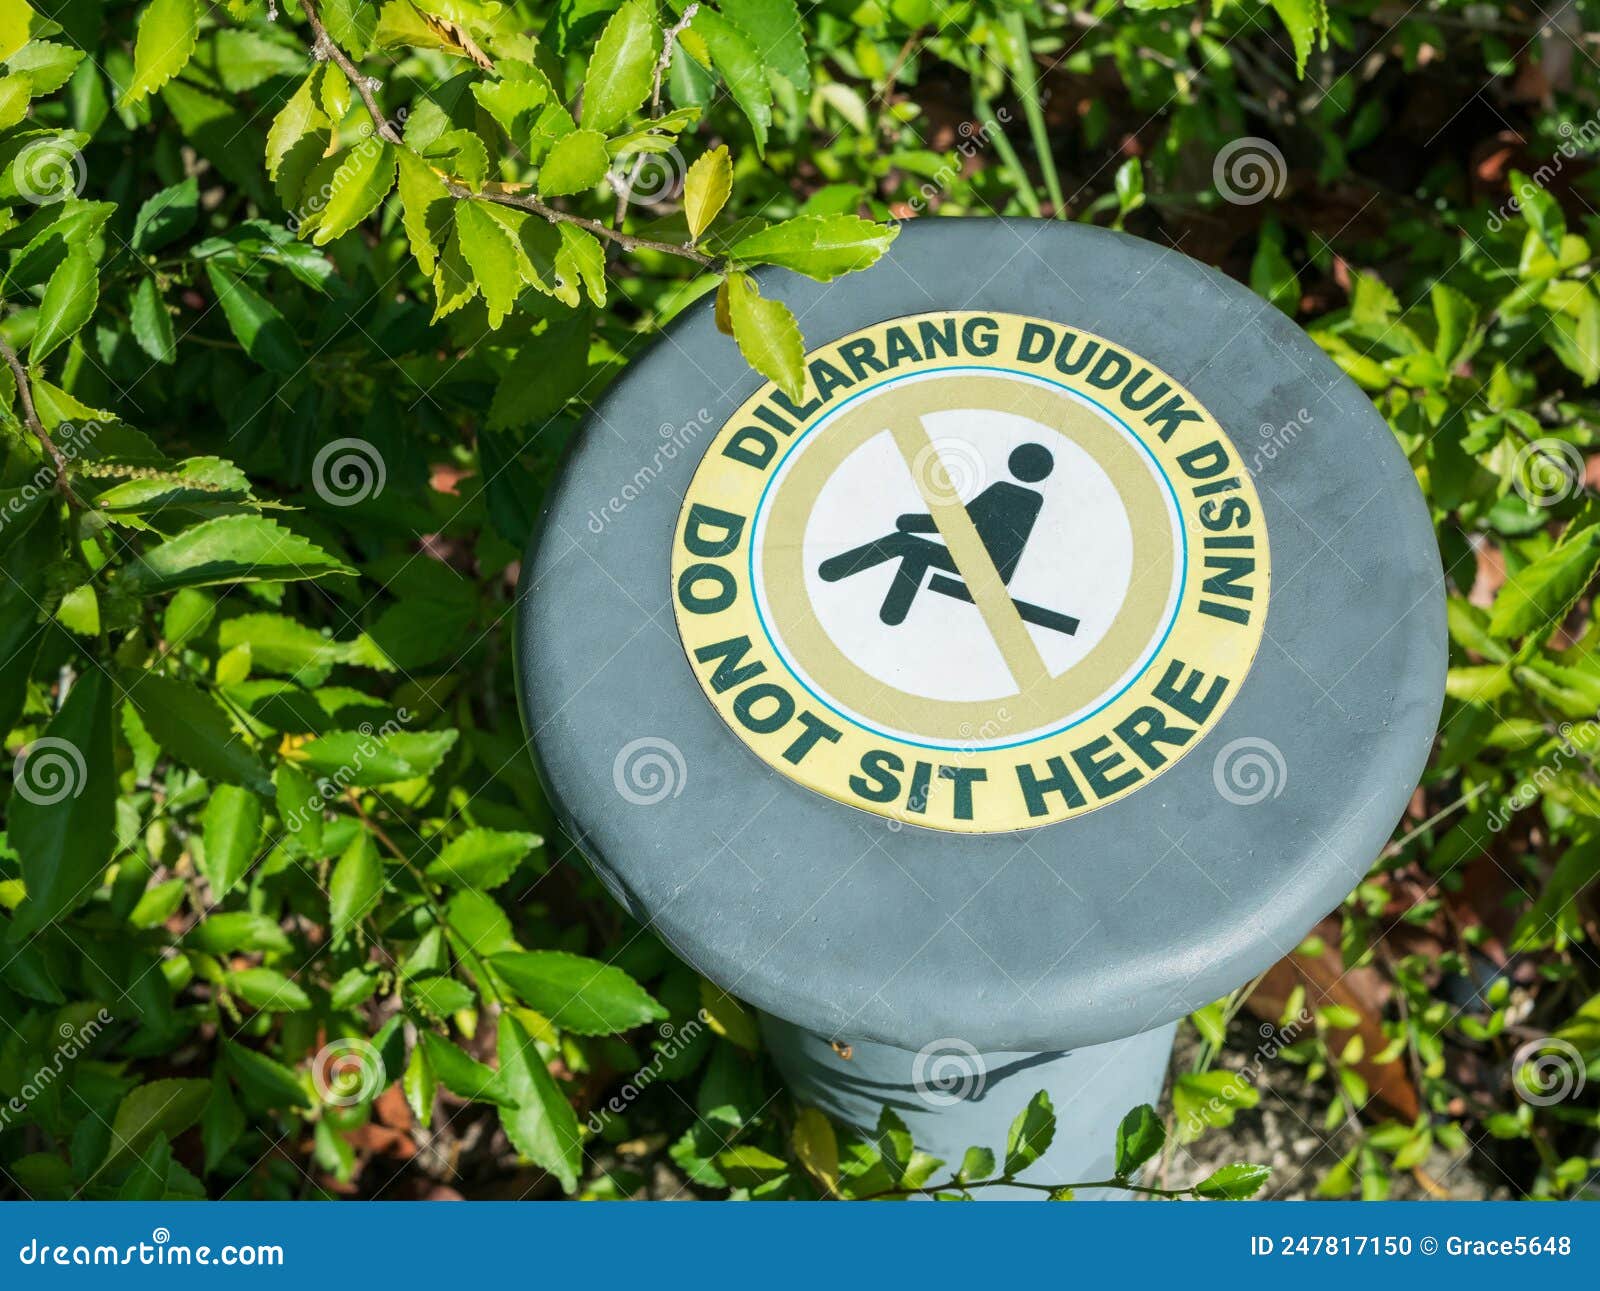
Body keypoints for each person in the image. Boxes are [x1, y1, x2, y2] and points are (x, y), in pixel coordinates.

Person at [819, 443, 1064, 628]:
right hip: (994, 569)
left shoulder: (1003, 491)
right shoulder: (1034, 500)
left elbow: (960, 520)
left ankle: (835, 571)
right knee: (916, 554)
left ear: (1015, 464)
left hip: (981, 566)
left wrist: (909, 522)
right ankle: (892, 613)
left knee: (905, 543)